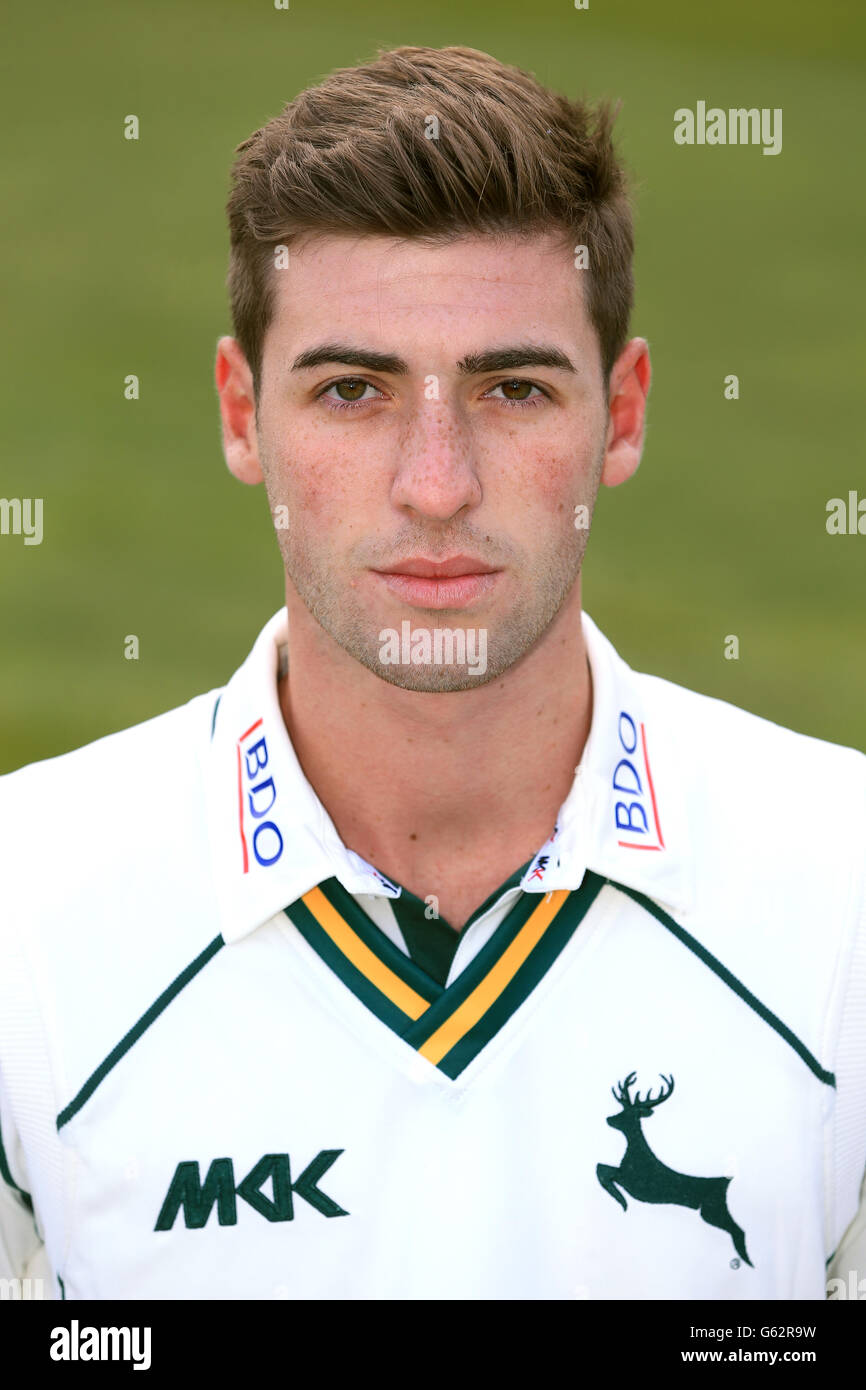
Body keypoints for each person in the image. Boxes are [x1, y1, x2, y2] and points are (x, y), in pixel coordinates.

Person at [1, 45, 863, 1301]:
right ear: (242, 416)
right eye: (351, 391)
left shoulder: (845, 892)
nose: (436, 484)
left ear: (620, 416)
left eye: (512, 389)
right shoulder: (19, 917)